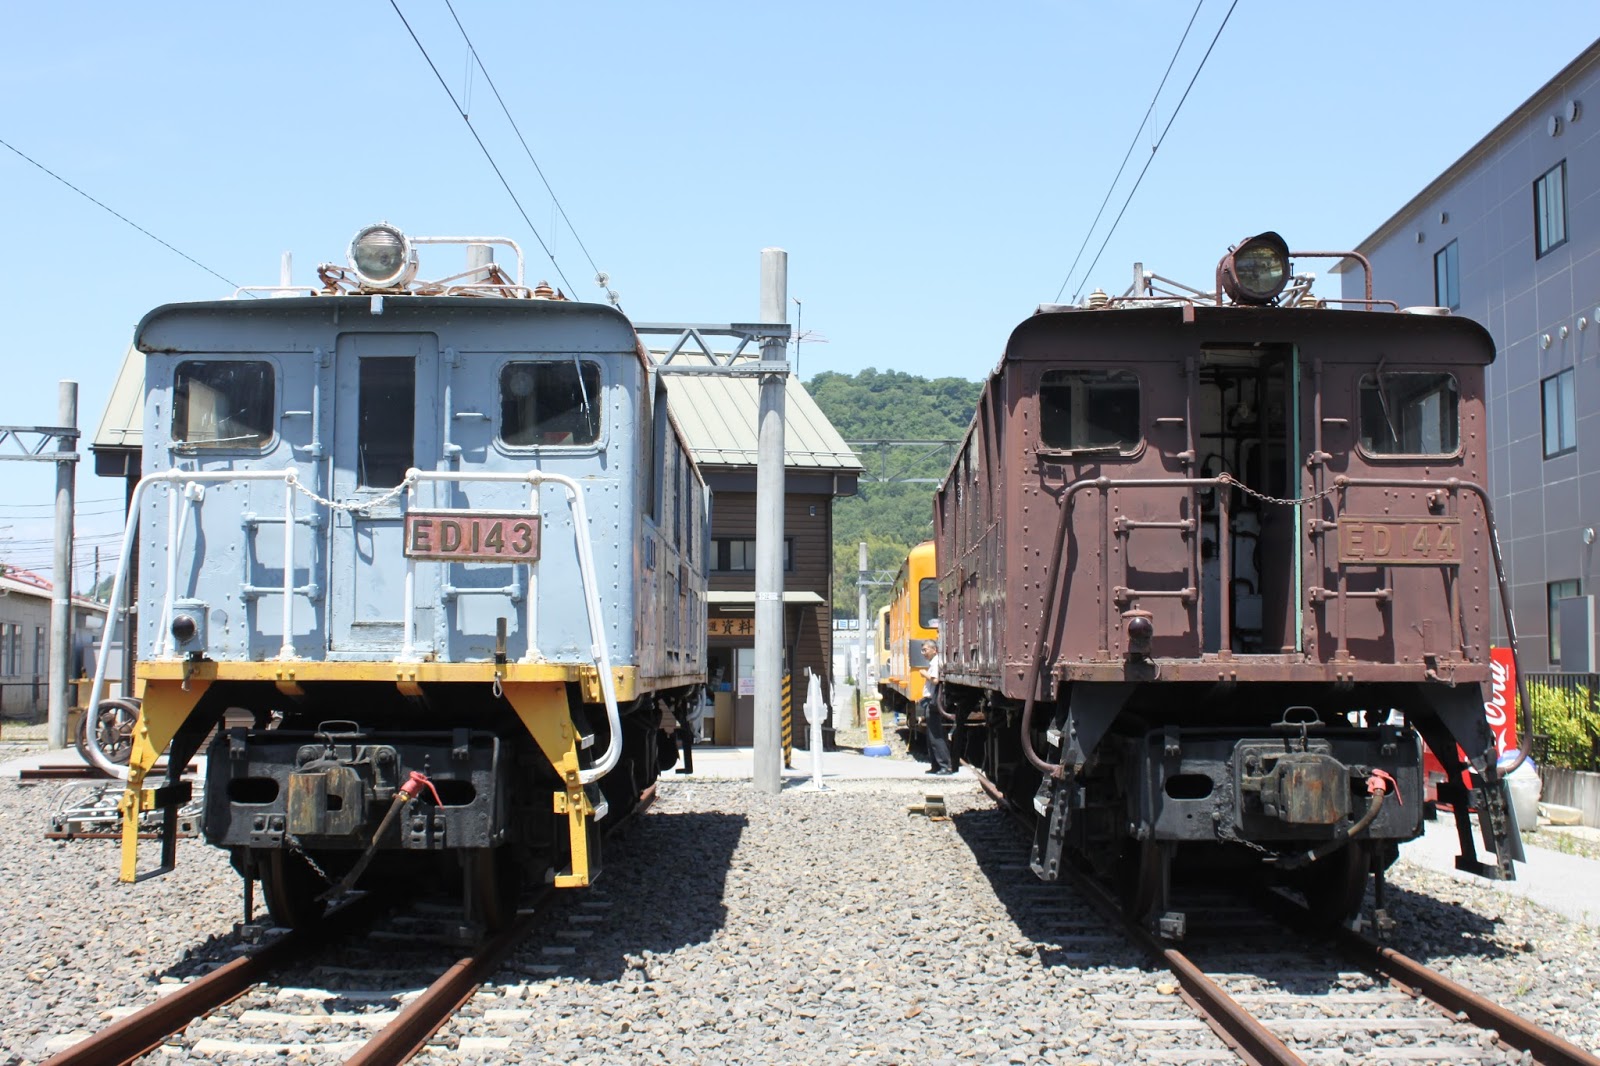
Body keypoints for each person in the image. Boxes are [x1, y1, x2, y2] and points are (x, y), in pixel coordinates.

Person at [921, 640, 955, 775]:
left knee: (936, 734)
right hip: (930, 700)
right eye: (922, 650)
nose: (923, 653)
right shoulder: (933, 662)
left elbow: (935, 680)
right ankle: (935, 765)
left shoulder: (935, 662)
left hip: (933, 701)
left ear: (934, 650)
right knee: (931, 734)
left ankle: (945, 766)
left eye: (925, 650)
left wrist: (925, 674)